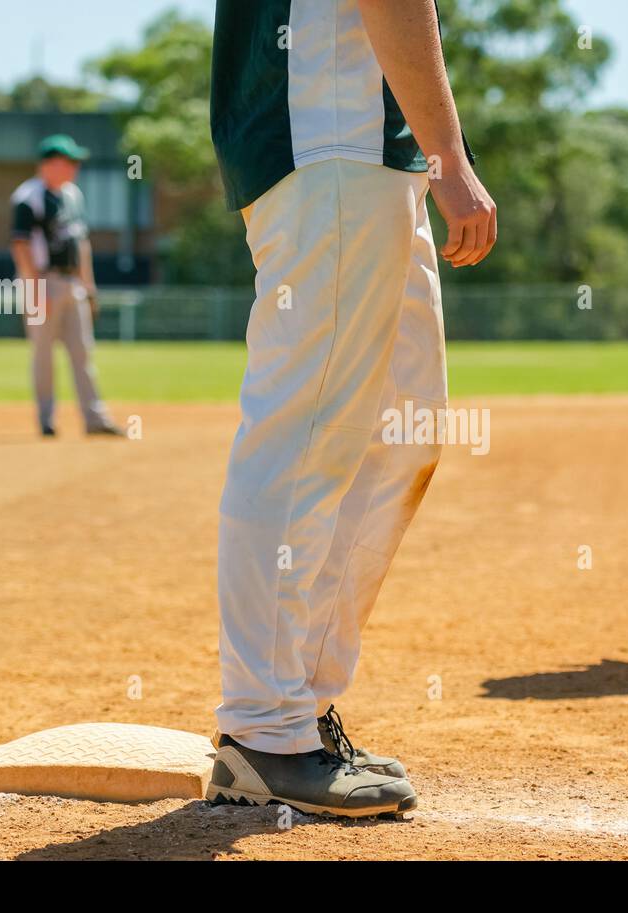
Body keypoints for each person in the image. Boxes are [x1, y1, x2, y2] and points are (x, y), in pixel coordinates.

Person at [205, 0, 496, 817]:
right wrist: (449, 154)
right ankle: (263, 731)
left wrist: (429, 152)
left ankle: (298, 706)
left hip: (365, 148)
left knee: (404, 434)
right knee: (303, 441)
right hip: (328, 138)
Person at [10, 134, 124, 439]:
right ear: (49, 164)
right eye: (69, 161)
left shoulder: (72, 195)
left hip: (72, 282)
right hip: (41, 282)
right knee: (43, 354)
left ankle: (95, 419)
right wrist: (34, 289)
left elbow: (81, 244)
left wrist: (90, 287)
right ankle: (46, 420)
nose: (75, 167)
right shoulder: (28, 197)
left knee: (83, 352)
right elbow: (20, 246)